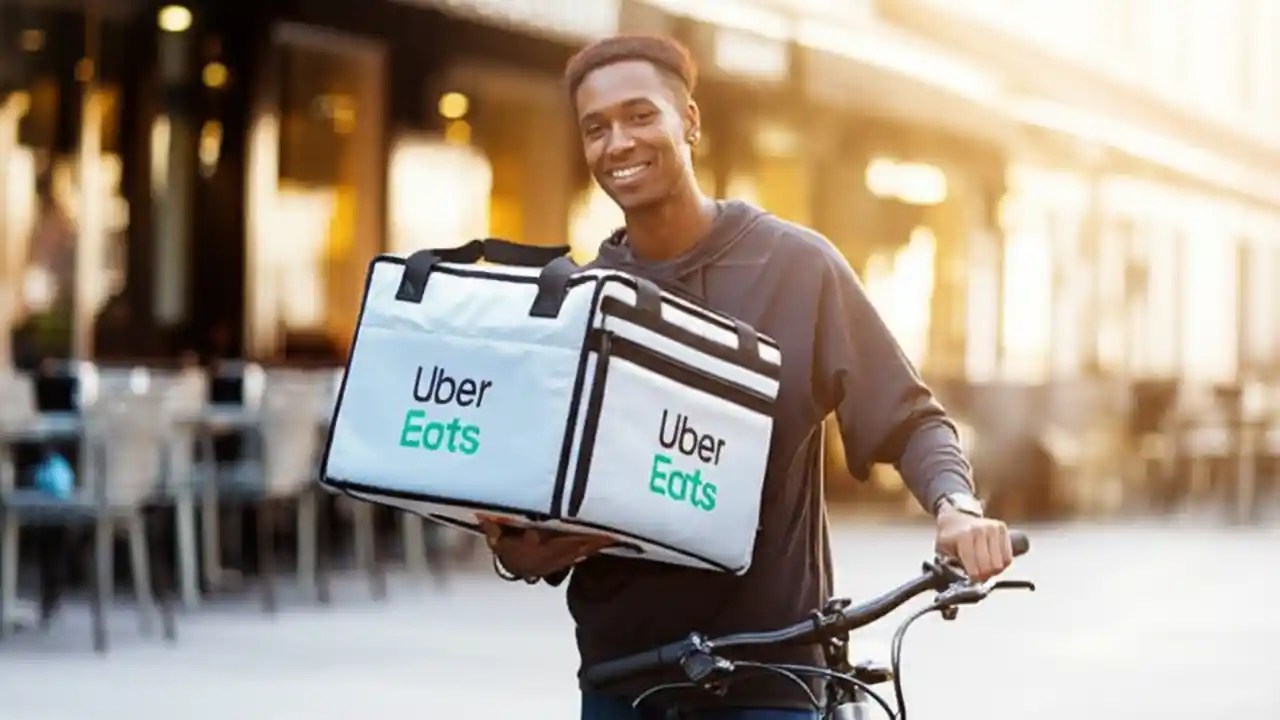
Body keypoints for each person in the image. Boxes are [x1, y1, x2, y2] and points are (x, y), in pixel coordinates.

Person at [481, 34, 1016, 719]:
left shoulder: (797, 268)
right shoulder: (584, 304)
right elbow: (555, 499)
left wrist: (956, 506)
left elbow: (910, 419)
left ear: (690, 121)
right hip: (623, 683)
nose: (618, 142)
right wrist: (522, 554)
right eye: (596, 128)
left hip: (770, 681)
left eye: (640, 116)